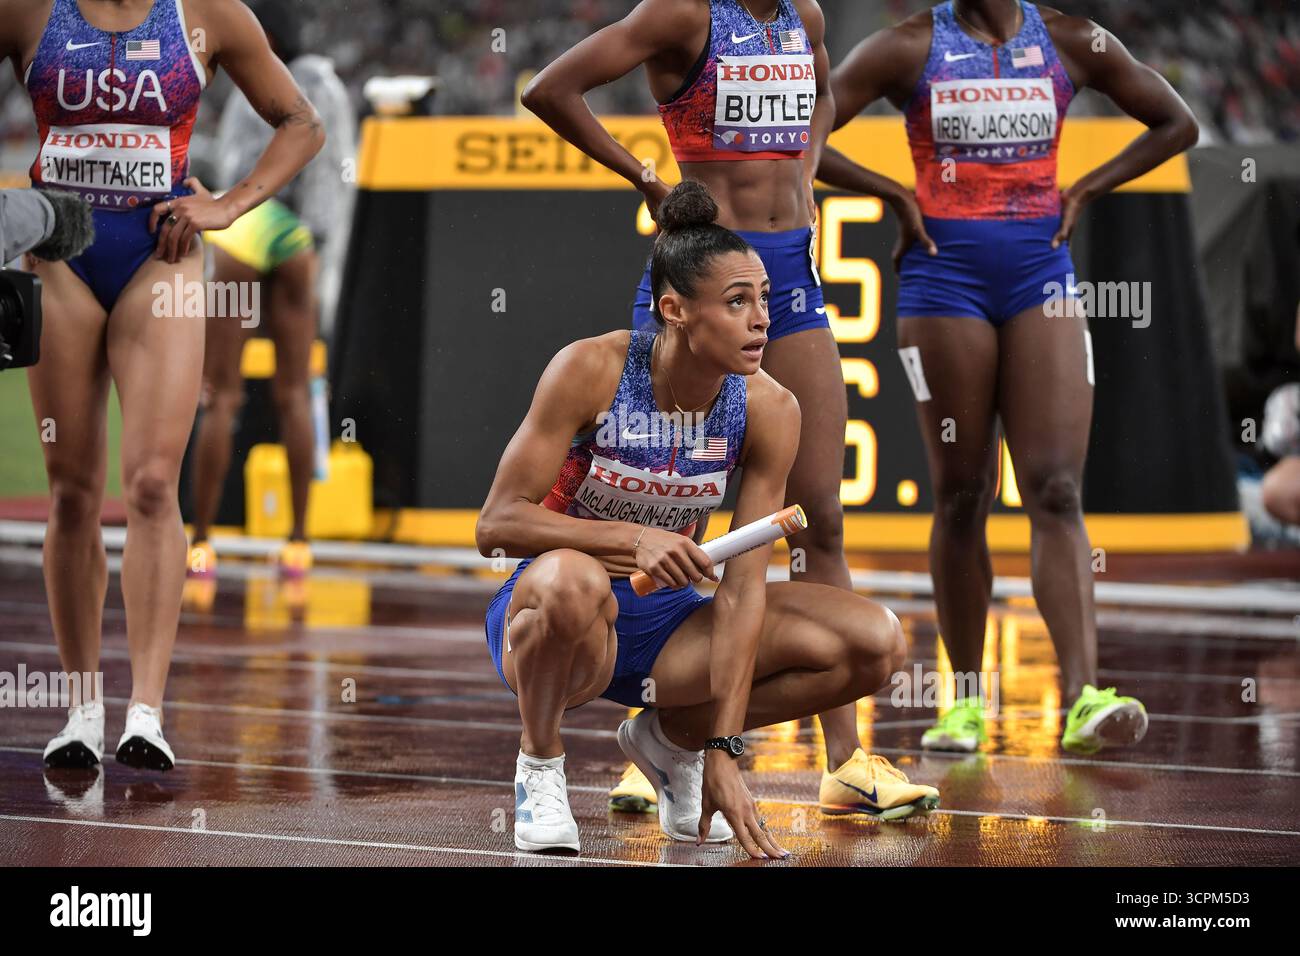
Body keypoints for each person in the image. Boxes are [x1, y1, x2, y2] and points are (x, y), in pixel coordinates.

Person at [476, 182, 939, 857]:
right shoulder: (592, 369)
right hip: (557, 624)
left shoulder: (769, 408)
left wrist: (722, 745)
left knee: (877, 642)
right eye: (737, 302)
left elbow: (744, 587)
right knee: (572, 582)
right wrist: (634, 539)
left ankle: (671, 742)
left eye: (762, 299)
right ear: (675, 310)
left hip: (669, 635)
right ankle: (540, 766)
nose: (761, 320)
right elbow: (495, 524)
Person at [522, 0, 893, 817]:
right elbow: (551, 89)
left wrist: (809, 166)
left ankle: (851, 760)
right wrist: (645, 175)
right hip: (706, 272)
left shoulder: (804, 15)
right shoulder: (683, 13)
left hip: (789, 269)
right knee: (670, 506)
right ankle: (659, 734)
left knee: (819, 517)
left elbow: (825, 96)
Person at [818, 0, 1199, 752]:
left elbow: (1176, 123)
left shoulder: (1067, 39)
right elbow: (800, 139)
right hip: (943, 280)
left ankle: (1085, 697)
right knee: (963, 493)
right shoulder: (908, 48)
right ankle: (961, 703)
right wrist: (892, 193)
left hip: (1039, 276)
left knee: (1055, 486)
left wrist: (1087, 188)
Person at [2, 0, 324, 771]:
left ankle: (145, 710)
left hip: (162, 254)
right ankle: (80, 709)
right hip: (60, 251)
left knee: (151, 483)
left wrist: (229, 205)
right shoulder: (27, 9)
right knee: (74, 491)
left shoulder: (208, 12)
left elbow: (301, 122)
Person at [188, 0, 353, 581]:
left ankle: (202, 544)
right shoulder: (329, 86)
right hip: (299, 239)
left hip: (249, 228)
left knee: (221, 395)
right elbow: (335, 180)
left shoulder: (249, 85)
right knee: (295, 391)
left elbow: (235, 164)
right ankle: (299, 544)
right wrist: (316, 249)